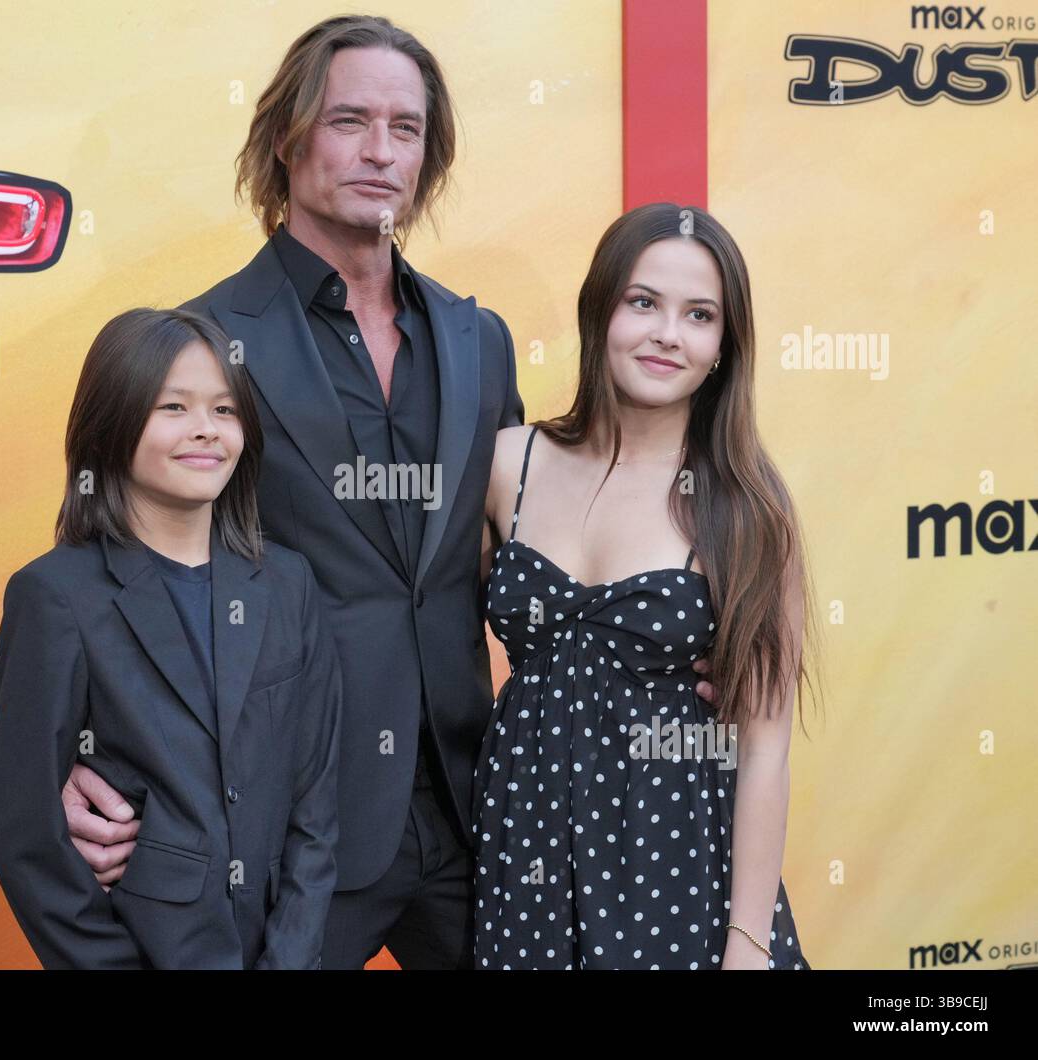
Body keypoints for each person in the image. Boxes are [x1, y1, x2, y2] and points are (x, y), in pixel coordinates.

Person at [59, 15, 718, 969]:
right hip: (288, 825)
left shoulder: (474, 338)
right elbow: (112, 566)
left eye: (405, 129)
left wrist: (685, 653)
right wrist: (80, 752)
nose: (380, 152)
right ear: (287, 138)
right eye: (349, 121)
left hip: (479, 806)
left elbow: (540, 535)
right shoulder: (205, 340)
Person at [475, 203, 815, 970]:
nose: (668, 333)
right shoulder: (506, 466)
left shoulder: (748, 508)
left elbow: (764, 748)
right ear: (601, 311)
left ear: (723, 348)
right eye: (644, 302)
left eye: (700, 315)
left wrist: (748, 943)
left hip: (677, 866)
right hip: (522, 849)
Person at [0, 307, 341, 969]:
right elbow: (28, 839)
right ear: (112, 422)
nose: (206, 430)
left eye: (226, 410)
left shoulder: (288, 584)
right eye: (172, 406)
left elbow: (315, 806)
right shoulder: (56, 597)